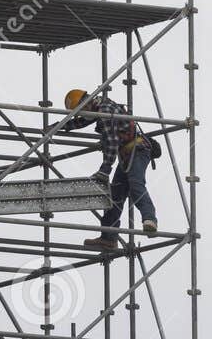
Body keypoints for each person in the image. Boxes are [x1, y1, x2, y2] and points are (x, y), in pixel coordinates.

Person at [61, 87, 159, 251]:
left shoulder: (105, 111)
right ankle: (108, 238)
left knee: (136, 184)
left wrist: (105, 170)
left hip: (138, 150)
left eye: (80, 110)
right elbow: (83, 121)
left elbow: (112, 142)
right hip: (126, 154)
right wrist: (60, 126)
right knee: (115, 196)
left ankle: (150, 220)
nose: (81, 114)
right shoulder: (99, 107)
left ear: (86, 104)